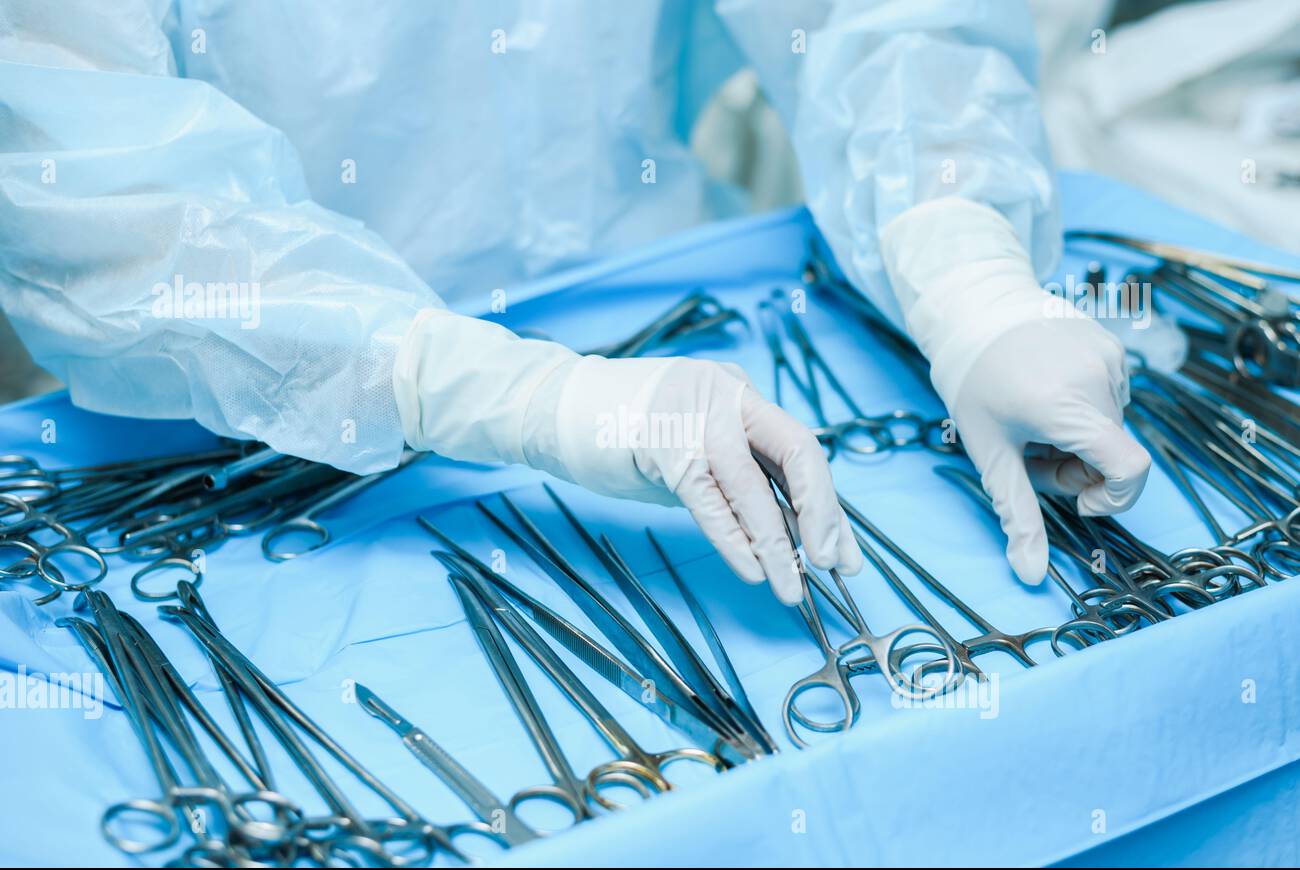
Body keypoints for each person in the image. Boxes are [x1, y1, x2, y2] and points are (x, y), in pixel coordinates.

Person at [0, 1, 1150, 600]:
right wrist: (499, 392)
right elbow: (93, 191)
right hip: (241, 383)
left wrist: (963, 267)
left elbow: (876, 17)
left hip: (650, 290)